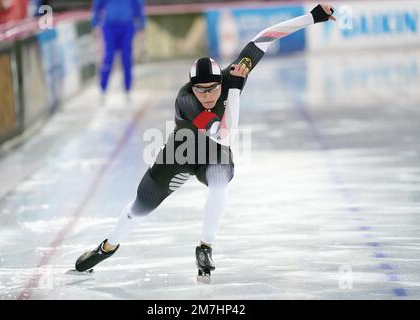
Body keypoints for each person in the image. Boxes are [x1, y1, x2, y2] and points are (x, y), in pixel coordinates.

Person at [75, 4, 336, 282]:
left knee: (220, 180)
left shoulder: (231, 75)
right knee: (141, 207)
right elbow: (225, 133)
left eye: (213, 89)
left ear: (220, 80)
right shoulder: (187, 101)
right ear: (192, 88)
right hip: (181, 152)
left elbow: (266, 36)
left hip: (212, 151)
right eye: (201, 90)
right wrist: (234, 89)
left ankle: (204, 247)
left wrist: (314, 16)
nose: (208, 95)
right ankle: (108, 246)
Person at [91, 0, 146, 104]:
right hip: (109, 26)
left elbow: (138, 7)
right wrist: (95, 23)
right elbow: (97, 5)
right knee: (108, 57)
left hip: (127, 26)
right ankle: (103, 89)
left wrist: (141, 26)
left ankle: (127, 89)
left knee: (126, 58)